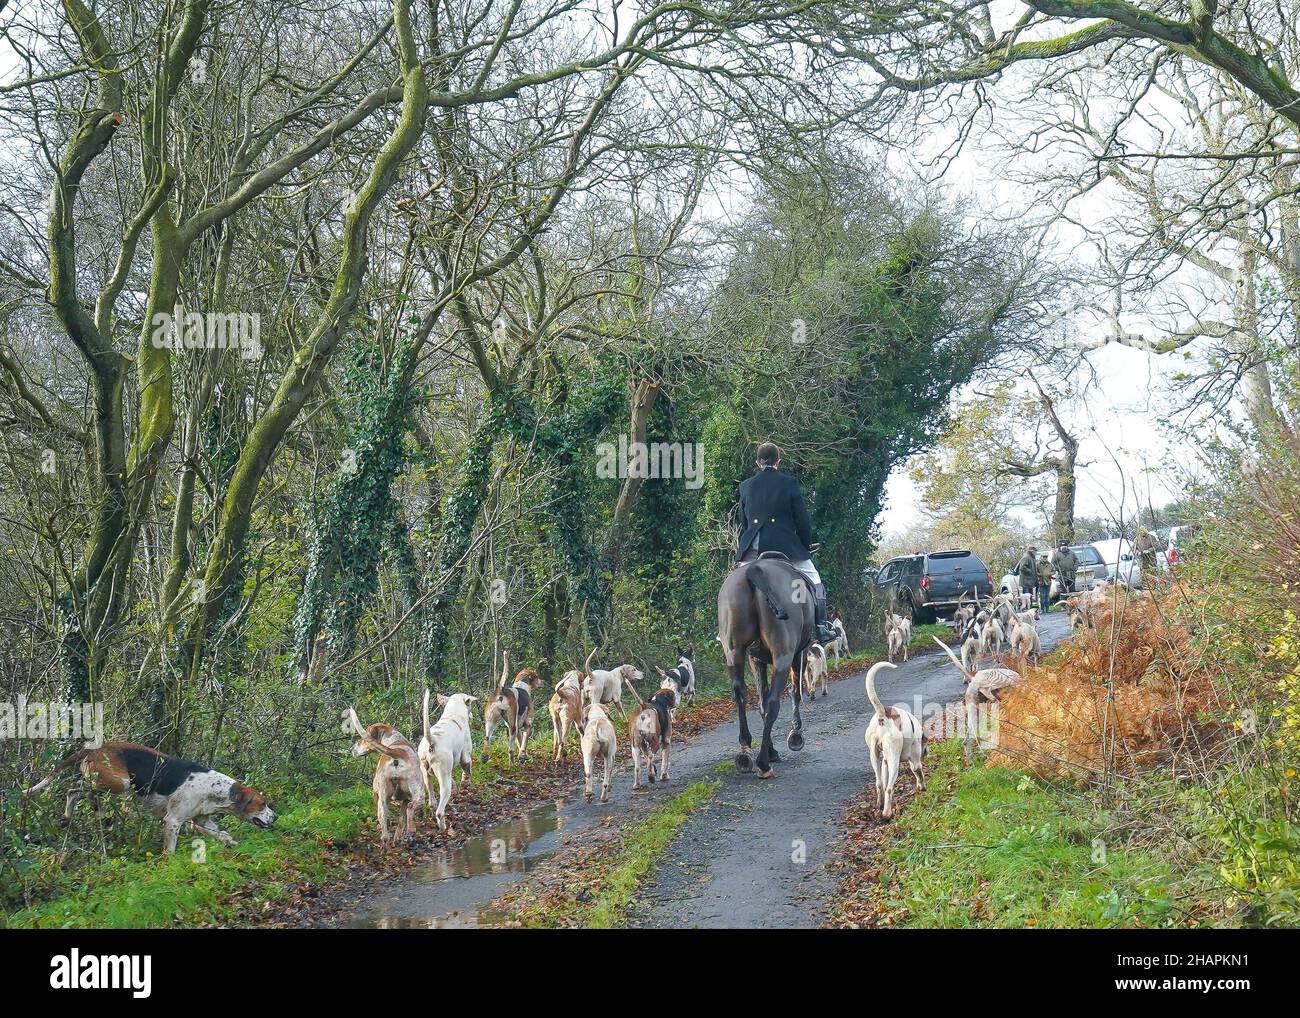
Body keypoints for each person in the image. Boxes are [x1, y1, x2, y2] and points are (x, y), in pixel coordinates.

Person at [735, 442, 837, 643]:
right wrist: (805, 545)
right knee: (814, 580)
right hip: (786, 547)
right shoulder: (789, 483)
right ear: (778, 462)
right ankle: (821, 626)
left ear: (758, 463)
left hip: (754, 548)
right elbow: (802, 520)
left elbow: (743, 520)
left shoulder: (745, 486)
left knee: (737, 583)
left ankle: (727, 630)